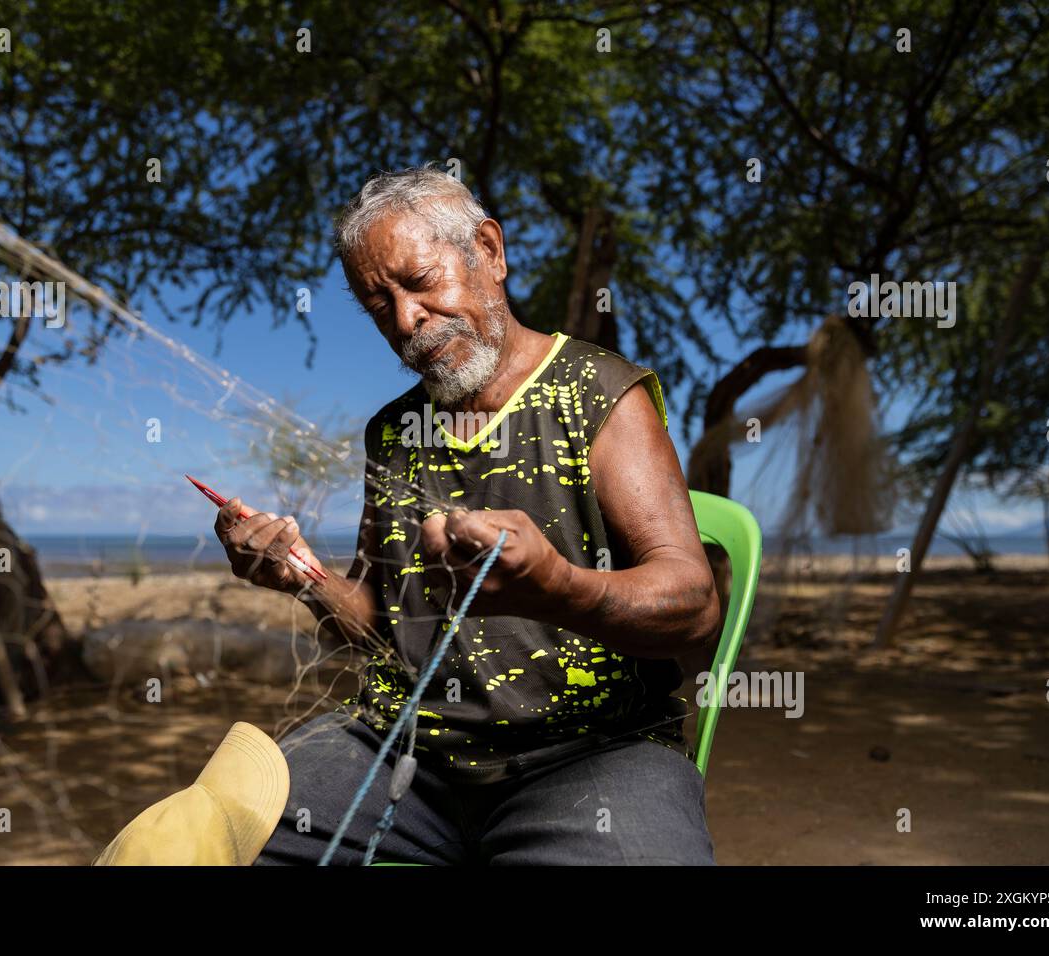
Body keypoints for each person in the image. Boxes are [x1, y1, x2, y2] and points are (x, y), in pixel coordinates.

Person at [217, 165, 720, 865]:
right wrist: (299, 574)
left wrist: (558, 588)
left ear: (489, 251)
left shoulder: (596, 393)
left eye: (420, 282)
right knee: (217, 829)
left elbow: (694, 608)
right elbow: (380, 627)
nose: (405, 320)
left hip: (591, 756)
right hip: (403, 750)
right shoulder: (392, 434)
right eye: (377, 304)